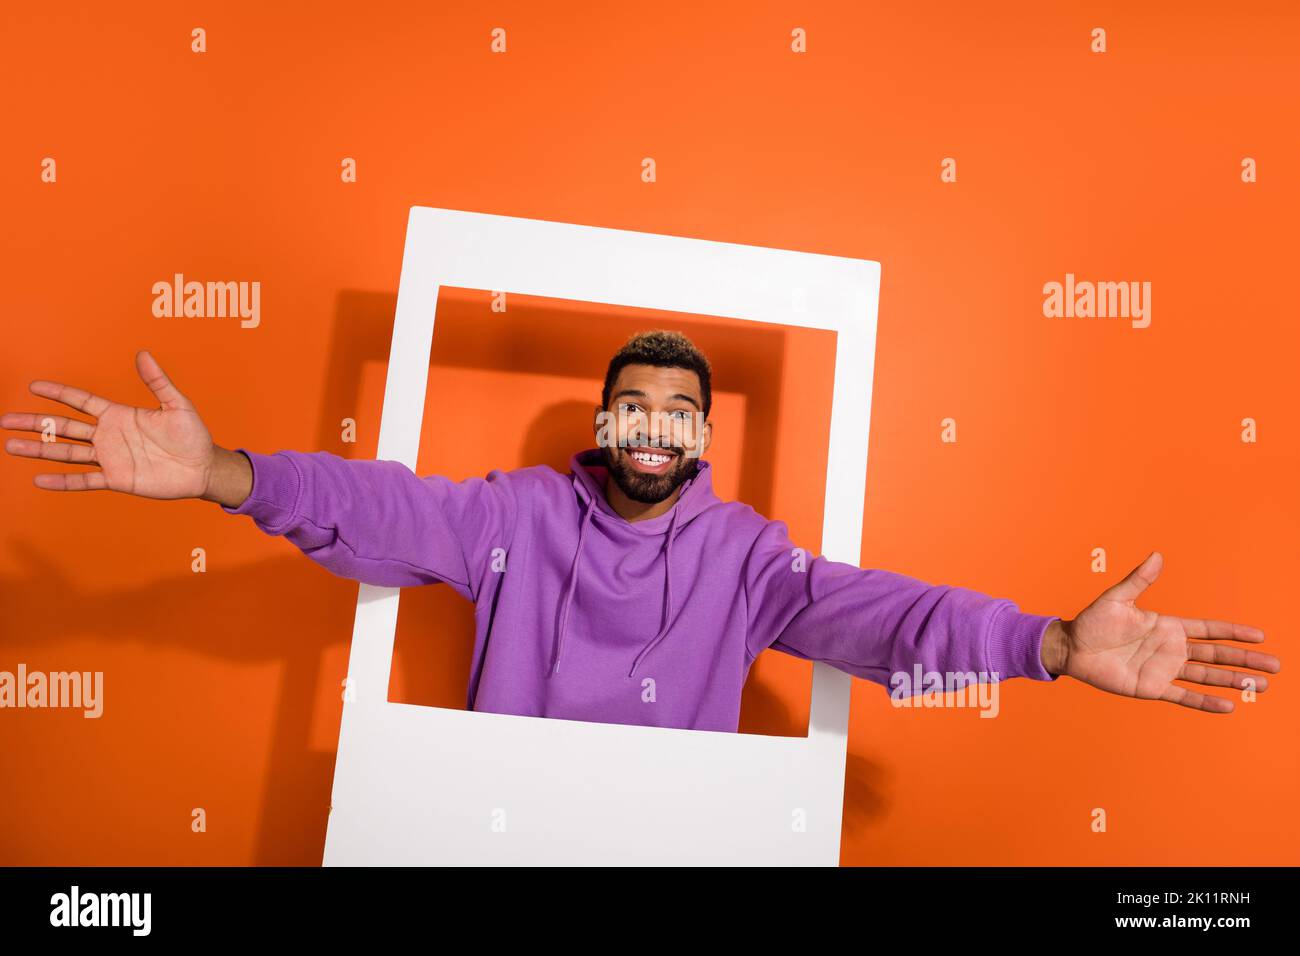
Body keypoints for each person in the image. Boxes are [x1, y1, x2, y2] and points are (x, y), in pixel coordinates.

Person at [1, 331, 1279, 732]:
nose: (655, 425)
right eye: (634, 404)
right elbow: (382, 504)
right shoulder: (511, 518)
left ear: (704, 441)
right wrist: (225, 472)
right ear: (604, 427)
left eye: (680, 410)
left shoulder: (748, 560)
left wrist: (1049, 642)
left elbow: (888, 620)